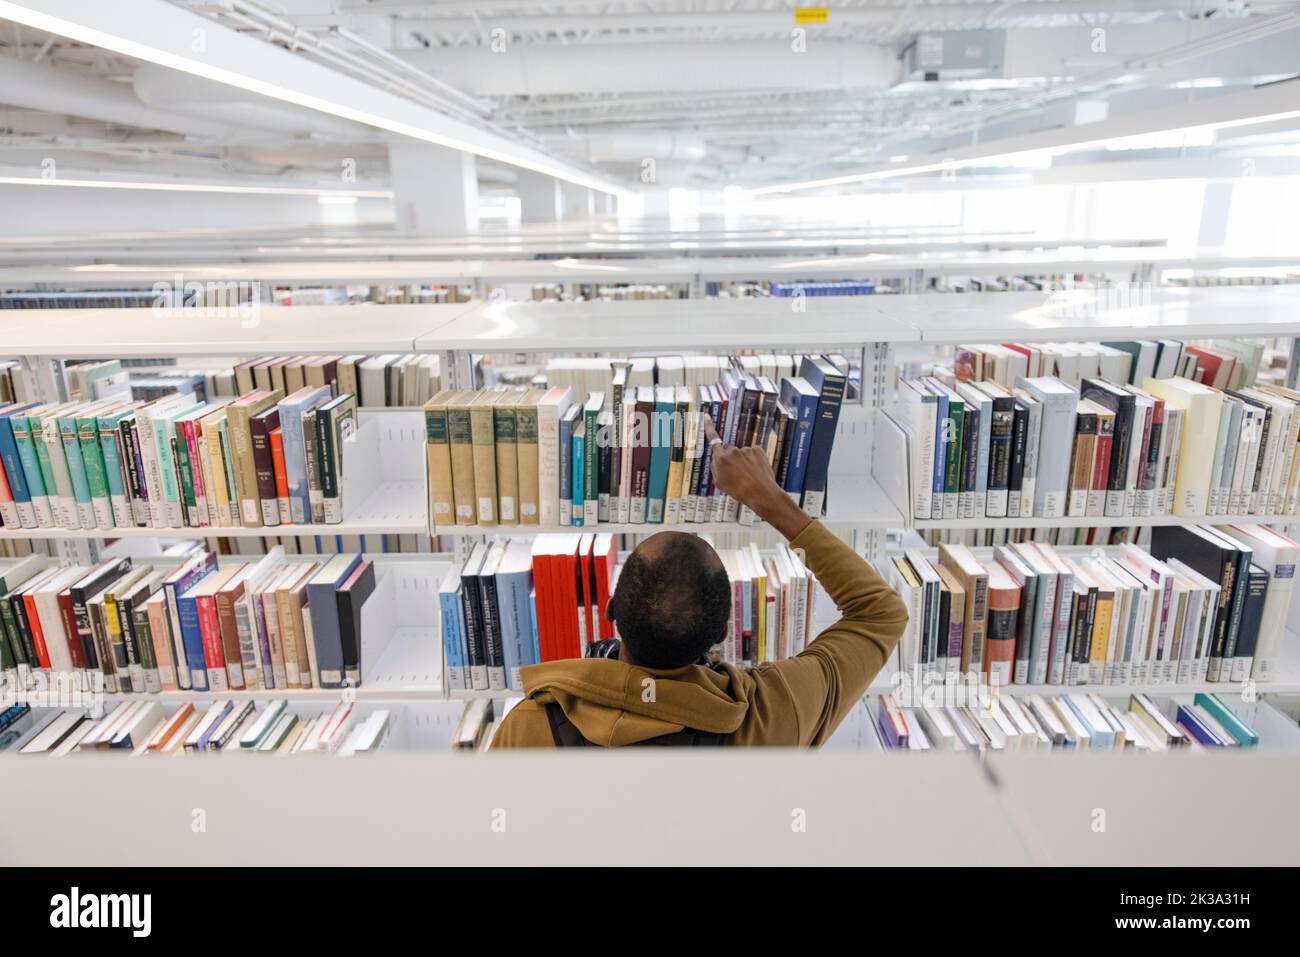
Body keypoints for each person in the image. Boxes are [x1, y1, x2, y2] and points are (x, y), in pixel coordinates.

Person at [490, 416, 908, 747]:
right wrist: (769, 499)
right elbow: (880, 614)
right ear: (722, 633)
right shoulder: (776, 715)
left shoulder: (529, 728)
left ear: (611, 610)